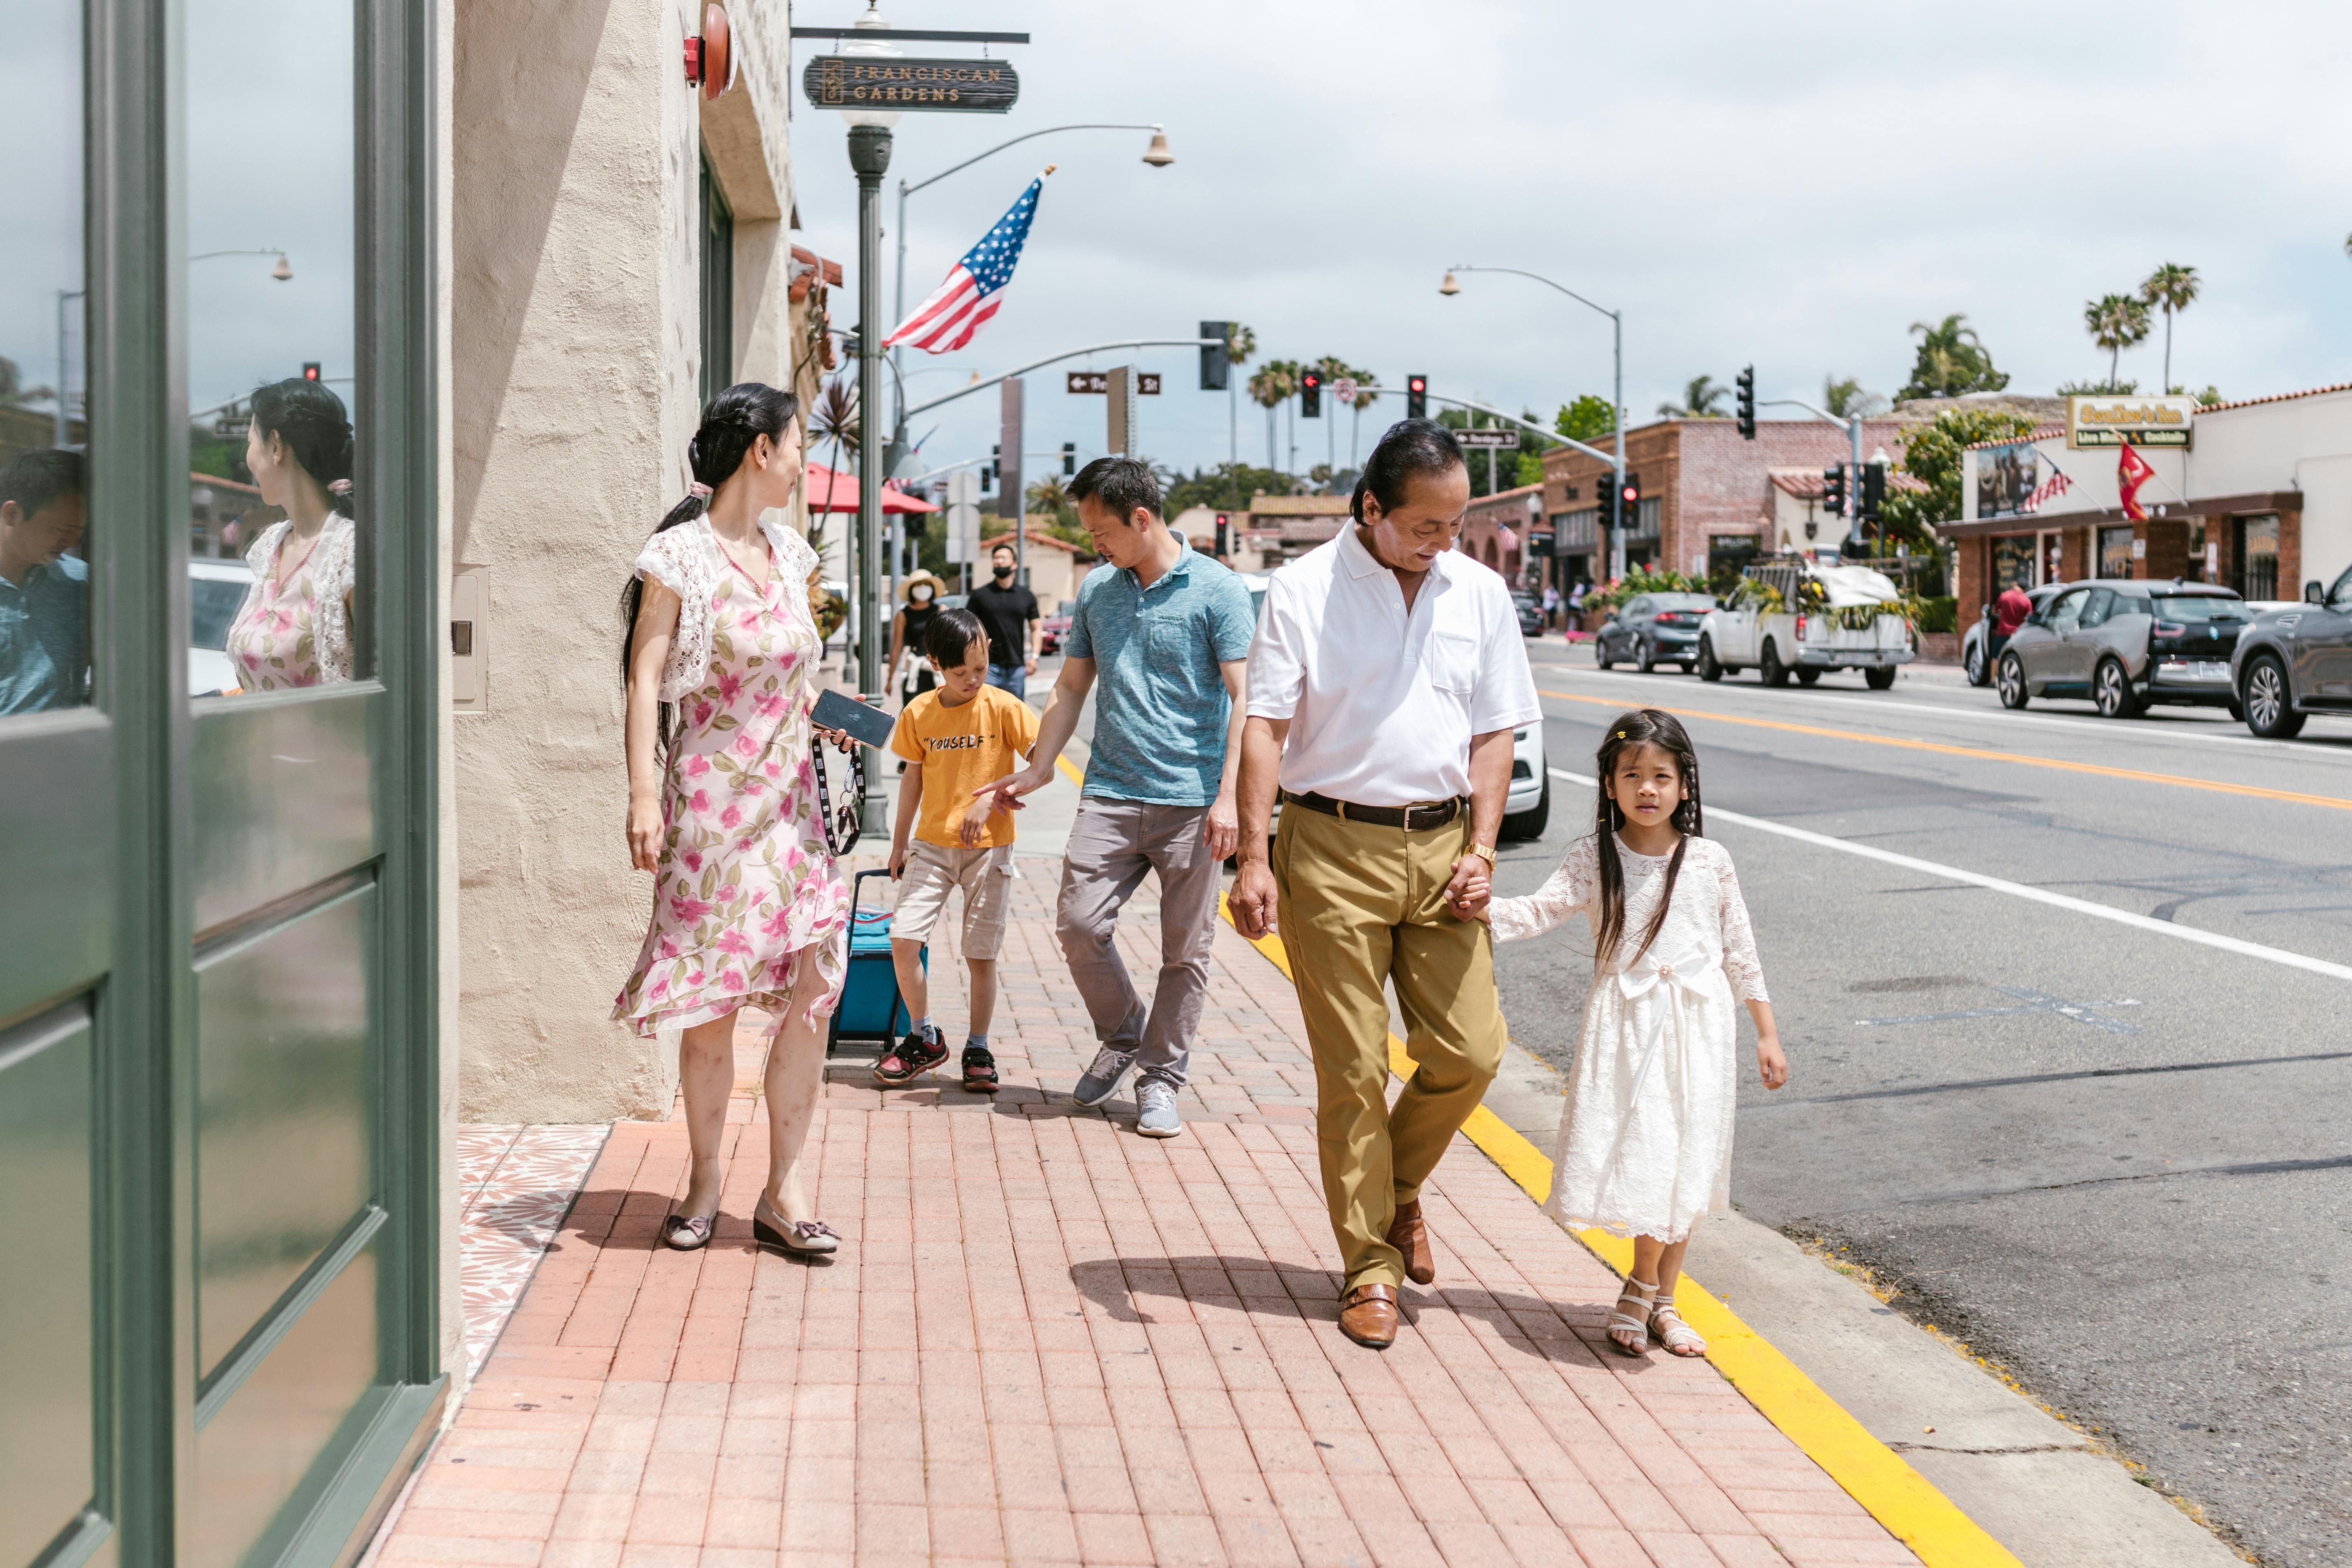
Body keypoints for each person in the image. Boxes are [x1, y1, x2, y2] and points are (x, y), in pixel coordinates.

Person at [1230, 418, 1540, 1349]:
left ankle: (1397, 1188)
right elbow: (1266, 726)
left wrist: (1483, 849)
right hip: (1329, 847)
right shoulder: (1303, 588)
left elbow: (1495, 732)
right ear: (1372, 508)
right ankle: (1370, 1264)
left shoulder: (1480, 593)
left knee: (1471, 1051)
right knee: (1355, 1069)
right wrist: (1254, 853)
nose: (1443, 543)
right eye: (1426, 526)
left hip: (1445, 848)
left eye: (1455, 525)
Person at [612, 382, 851, 1259]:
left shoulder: (792, 555)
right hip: (712, 811)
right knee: (711, 1005)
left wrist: (827, 708)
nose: (804, 462)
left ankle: (784, 1192)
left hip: (795, 813)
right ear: (761, 449)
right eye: (797, 446)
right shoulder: (677, 556)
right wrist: (643, 793)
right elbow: (644, 678)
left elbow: (790, 670)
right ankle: (706, 1179)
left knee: (809, 998)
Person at [1482, 709, 1787, 1357]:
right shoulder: (1596, 857)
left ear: (1684, 786)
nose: (1647, 789)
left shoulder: (1708, 860)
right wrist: (1474, 908)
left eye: (1661, 776)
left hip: (1699, 1026)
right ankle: (1644, 1287)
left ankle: (1656, 1297)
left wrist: (1766, 1032)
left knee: (1689, 1158)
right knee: (1647, 1151)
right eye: (1633, 775)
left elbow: (1740, 948)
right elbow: (1539, 910)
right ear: (1610, 784)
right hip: (1628, 1026)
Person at [976, 457, 1254, 1139]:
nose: (1095, 544)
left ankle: (1162, 1078)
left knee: (1185, 952)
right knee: (1077, 923)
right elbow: (1070, 688)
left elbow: (1247, 697)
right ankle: (1127, 1032)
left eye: (1102, 530)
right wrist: (1040, 767)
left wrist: (1229, 800)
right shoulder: (1100, 591)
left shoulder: (1218, 589)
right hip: (1108, 789)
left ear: (1141, 518)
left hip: (1191, 801)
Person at [875, 606, 1039, 1093]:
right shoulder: (919, 711)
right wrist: (898, 842)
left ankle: (978, 1046)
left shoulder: (1004, 707)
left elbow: (1042, 759)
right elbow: (913, 777)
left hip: (990, 849)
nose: (973, 680)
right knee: (904, 939)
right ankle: (923, 1037)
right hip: (930, 845)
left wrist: (994, 795)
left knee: (979, 955)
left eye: (981, 669)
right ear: (935, 664)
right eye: (961, 671)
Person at [225, 378, 359, 690]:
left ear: (275, 446)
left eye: (250, 442)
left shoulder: (349, 554)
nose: (248, 459)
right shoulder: (270, 546)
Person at [0, 448, 89, 714]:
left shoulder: (80, 584)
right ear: (13, 514)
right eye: (62, 530)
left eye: (79, 533)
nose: (71, 543)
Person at [968, 542, 1039, 697]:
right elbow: (968, 628)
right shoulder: (979, 595)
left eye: (1003, 558)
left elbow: (1036, 627)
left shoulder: (1026, 595)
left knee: (1015, 714)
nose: (999, 561)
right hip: (987, 666)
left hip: (1017, 668)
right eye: (996, 558)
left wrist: (1034, 657)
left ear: (1014, 564)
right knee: (987, 712)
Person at [1992, 578, 2034, 663]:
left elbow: (1994, 611)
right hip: (2017, 634)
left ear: (2016, 585)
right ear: (2025, 589)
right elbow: (2030, 618)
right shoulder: (2026, 601)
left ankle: (1993, 677)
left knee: (1996, 658)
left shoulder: (2004, 596)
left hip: (2003, 633)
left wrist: (2001, 612)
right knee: (2017, 659)